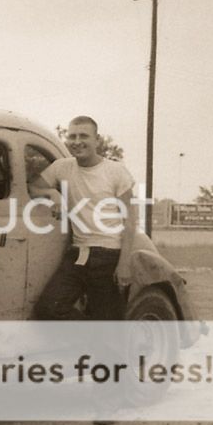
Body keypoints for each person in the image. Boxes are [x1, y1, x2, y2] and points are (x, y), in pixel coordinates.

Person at [29, 116, 137, 321]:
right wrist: (54, 195)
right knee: (48, 308)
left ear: (97, 140)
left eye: (84, 136)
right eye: (72, 136)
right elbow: (34, 187)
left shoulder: (116, 172)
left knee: (108, 319)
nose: (77, 141)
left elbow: (130, 222)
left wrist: (124, 264)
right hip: (79, 253)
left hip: (108, 255)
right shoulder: (63, 167)